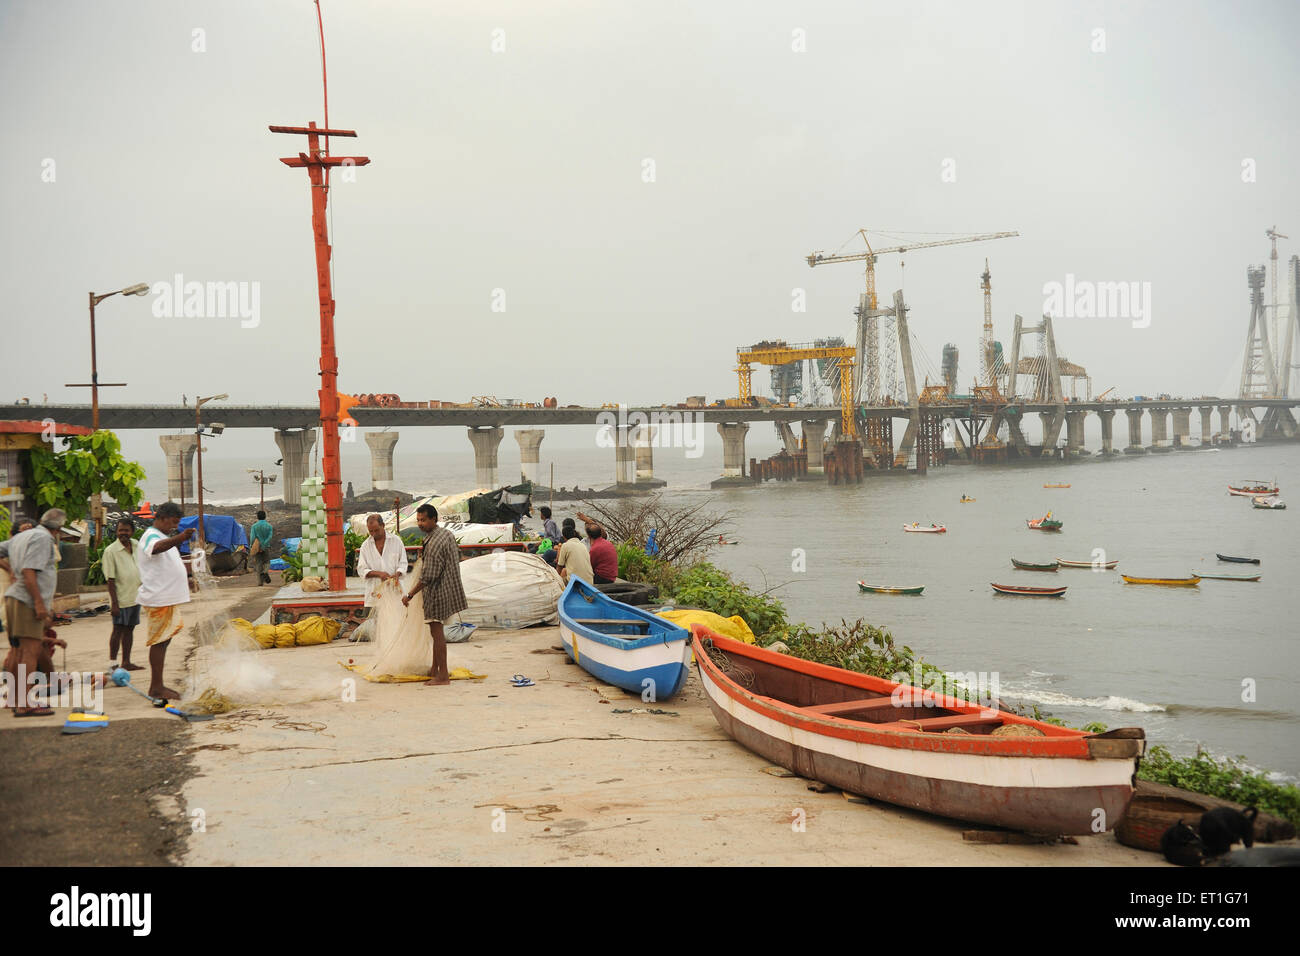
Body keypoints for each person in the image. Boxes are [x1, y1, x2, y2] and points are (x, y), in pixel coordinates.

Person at [3, 509, 67, 715]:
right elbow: (30, 571)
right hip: (27, 601)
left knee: (19, 651)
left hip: (15, 597)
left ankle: (16, 699)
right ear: (58, 529)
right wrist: (39, 603)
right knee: (29, 652)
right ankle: (25, 704)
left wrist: (10, 569)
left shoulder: (23, 536)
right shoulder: (43, 539)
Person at [401, 504, 467, 687]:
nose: (420, 524)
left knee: (437, 634)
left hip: (438, 592)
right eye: (418, 520)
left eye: (424, 520)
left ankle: (443, 676)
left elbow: (429, 575)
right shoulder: (445, 534)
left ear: (434, 519)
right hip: (448, 588)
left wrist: (410, 594)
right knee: (435, 632)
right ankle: (435, 669)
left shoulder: (435, 542)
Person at [136, 501, 195, 700]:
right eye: (172, 522)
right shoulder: (151, 536)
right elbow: (156, 549)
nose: (175, 526)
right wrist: (180, 537)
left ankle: (158, 684)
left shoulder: (162, 535)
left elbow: (168, 563)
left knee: (164, 640)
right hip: (158, 598)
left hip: (165, 597)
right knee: (159, 641)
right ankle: (156, 687)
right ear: (161, 518)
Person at [101, 517, 143, 671]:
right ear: (117, 532)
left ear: (132, 531)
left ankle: (126, 662)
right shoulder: (110, 551)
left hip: (135, 597)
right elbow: (110, 580)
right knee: (117, 630)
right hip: (121, 599)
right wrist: (115, 604)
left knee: (129, 630)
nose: (123, 533)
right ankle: (112, 663)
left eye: (126, 530)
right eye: (120, 530)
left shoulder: (137, 545)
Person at [357, 513, 406, 607]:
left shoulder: (396, 541)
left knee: (396, 620)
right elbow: (361, 570)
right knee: (373, 621)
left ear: (383, 525)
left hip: (394, 591)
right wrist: (379, 574)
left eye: (376, 530)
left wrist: (397, 574)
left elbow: (403, 563)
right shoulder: (365, 546)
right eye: (371, 531)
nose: (373, 533)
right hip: (374, 593)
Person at [249, 510, 273, 585]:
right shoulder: (269, 526)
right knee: (267, 562)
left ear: (257, 517)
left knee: (258, 564)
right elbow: (270, 536)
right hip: (266, 547)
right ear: (265, 516)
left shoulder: (254, 526)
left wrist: (252, 546)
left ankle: (260, 582)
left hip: (257, 547)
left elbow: (252, 537)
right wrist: (264, 544)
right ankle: (265, 571)